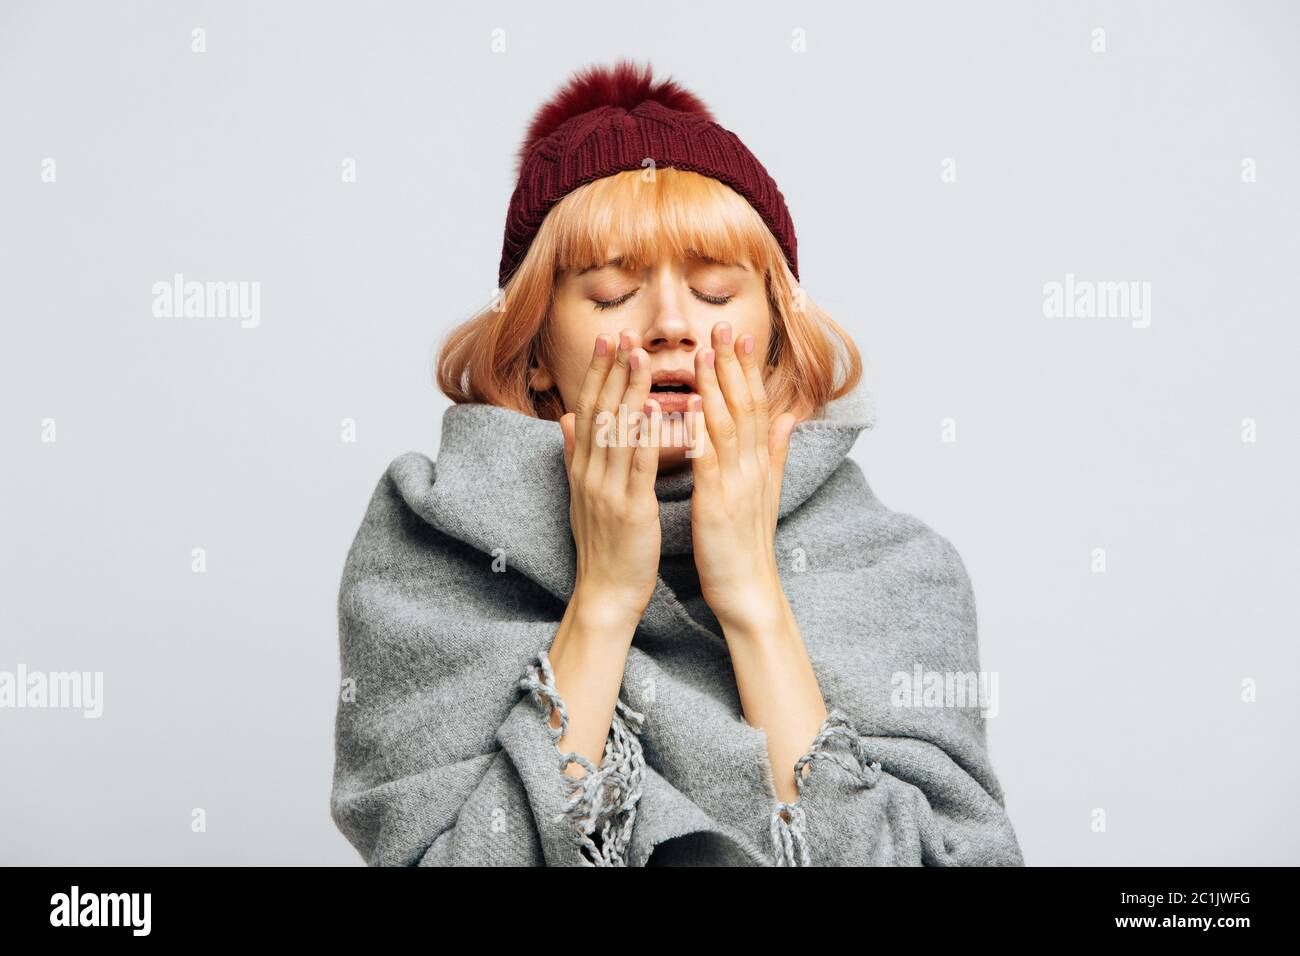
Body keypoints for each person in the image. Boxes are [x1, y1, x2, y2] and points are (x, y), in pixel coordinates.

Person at [330, 59, 1025, 867]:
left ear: (773, 340)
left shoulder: (901, 572)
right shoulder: (427, 544)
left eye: (717, 291)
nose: (670, 325)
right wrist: (603, 601)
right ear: (536, 351)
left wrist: (752, 596)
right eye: (612, 293)